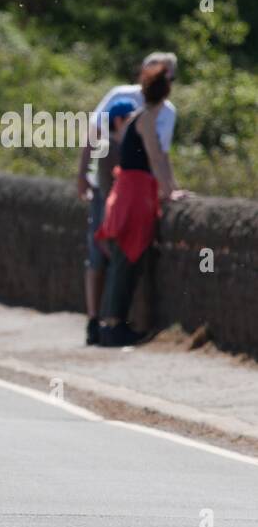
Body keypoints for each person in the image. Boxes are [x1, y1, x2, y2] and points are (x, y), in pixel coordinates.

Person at [93, 61, 188, 346]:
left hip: (132, 190)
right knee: (125, 260)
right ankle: (112, 326)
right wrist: (170, 191)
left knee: (126, 260)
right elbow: (156, 156)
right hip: (133, 193)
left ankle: (112, 324)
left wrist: (170, 187)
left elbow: (160, 157)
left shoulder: (139, 116)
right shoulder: (146, 119)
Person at [76, 98, 136, 345]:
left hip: (104, 205)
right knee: (106, 259)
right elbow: (109, 184)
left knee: (97, 261)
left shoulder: (111, 144)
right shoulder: (110, 145)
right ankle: (107, 324)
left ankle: (96, 322)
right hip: (107, 207)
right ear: (120, 120)